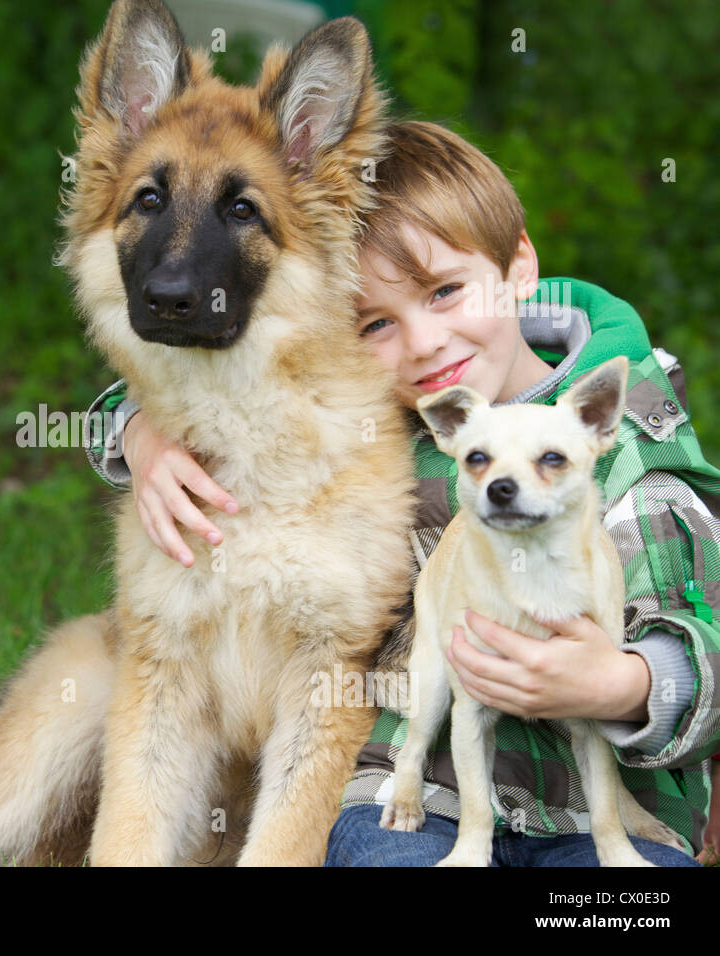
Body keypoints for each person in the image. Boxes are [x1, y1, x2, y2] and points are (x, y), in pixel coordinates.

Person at [82, 120, 720, 866]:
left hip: (603, 818)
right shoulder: (382, 418)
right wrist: (139, 432)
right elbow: (224, 387)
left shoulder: (635, 457)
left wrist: (623, 684)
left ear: (520, 269)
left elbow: (704, 641)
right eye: (377, 323)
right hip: (416, 804)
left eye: (446, 292)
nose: (422, 345)